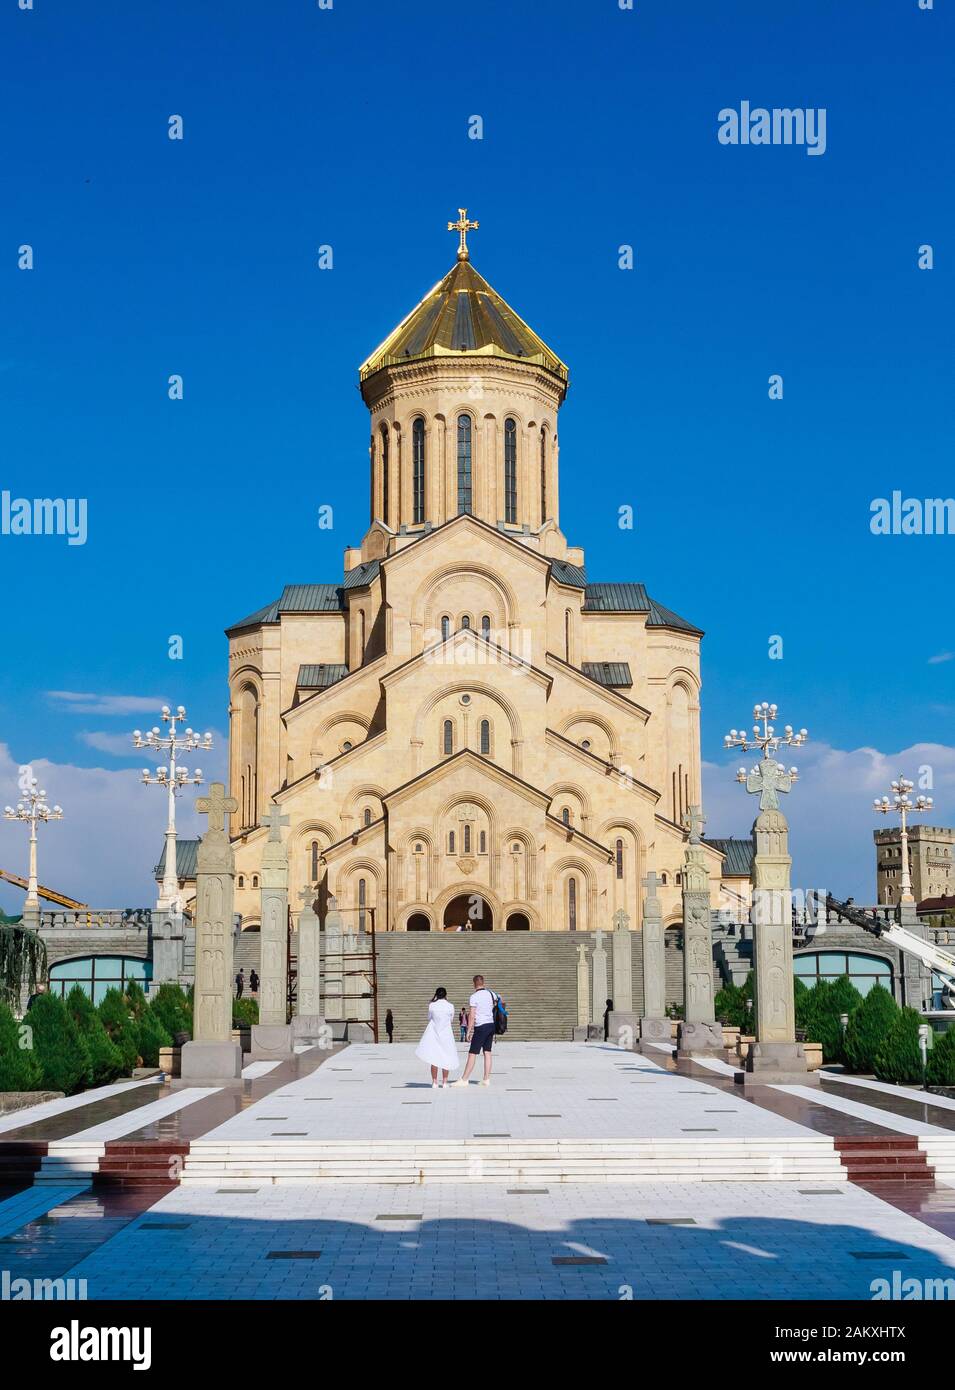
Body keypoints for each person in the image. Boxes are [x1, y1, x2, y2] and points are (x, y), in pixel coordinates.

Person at [450, 974, 497, 1088]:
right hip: (491, 1025)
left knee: (472, 1053)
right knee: (487, 1052)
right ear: (483, 982)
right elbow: (497, 1004)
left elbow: (472, 1015)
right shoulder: (492, 994)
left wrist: (468, 1031)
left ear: (474, 983)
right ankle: (486, 1079)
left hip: (481, 1026)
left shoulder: (474, 997)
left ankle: (465, 1079)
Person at [415, 988, 458, 1088]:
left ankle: (434, 1082)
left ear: (436, 995)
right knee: (446, 1057)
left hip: (434, 1033)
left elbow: (429, 1017)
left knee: (434, 1057)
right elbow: (451, 1019)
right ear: (446, 995)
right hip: (446, 1034)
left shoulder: (432, 1005)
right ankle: (444, 1082)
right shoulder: (450, 1006)